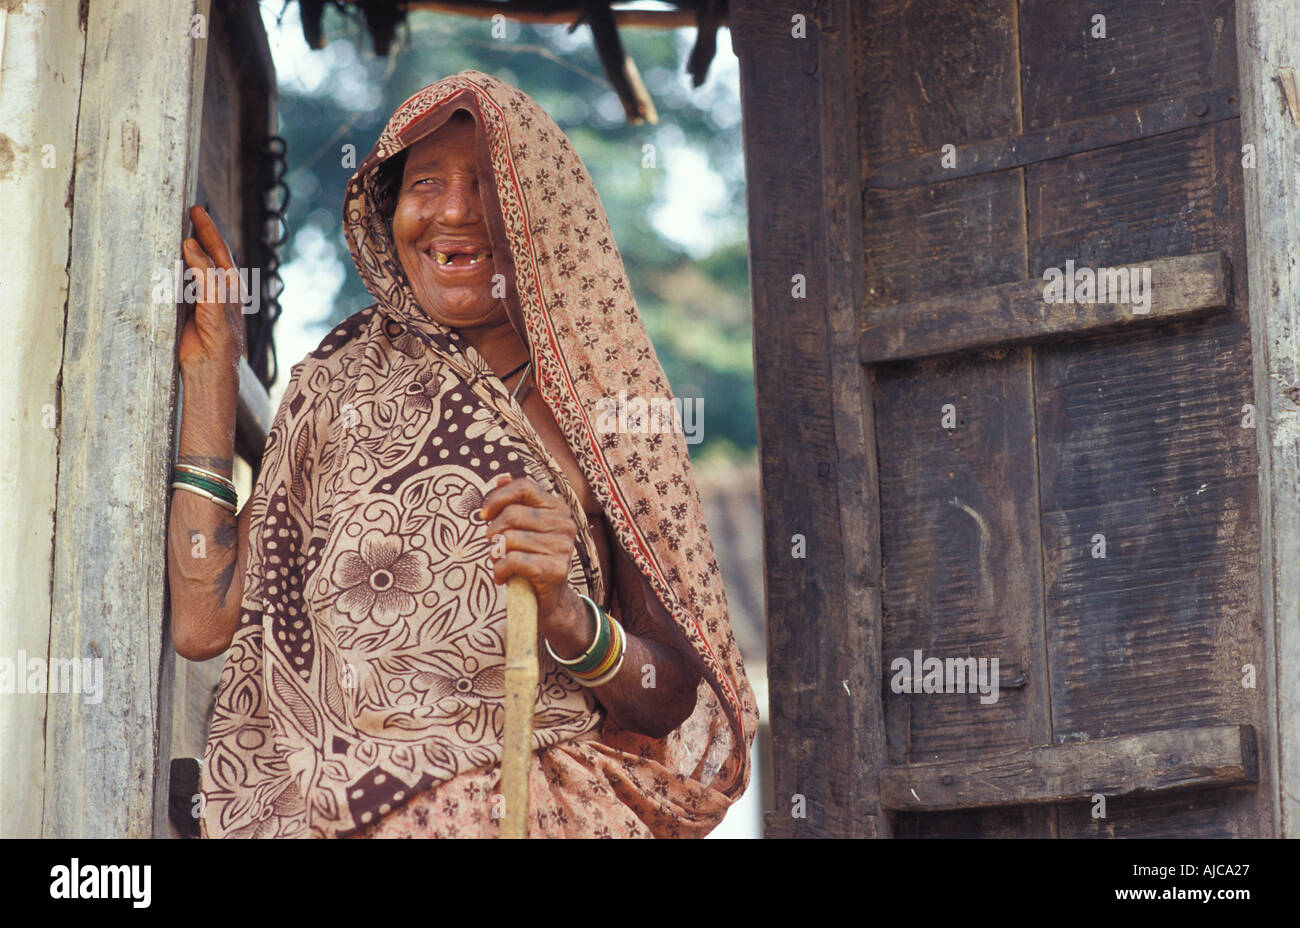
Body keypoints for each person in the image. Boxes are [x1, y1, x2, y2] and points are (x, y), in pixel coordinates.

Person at [170, 70, 756, 838]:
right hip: (317, 813)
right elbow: (204, 620)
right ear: (389, 212)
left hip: (528, 815)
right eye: (427, 183)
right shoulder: (340, 384)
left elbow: (670, 691)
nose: (452, 211)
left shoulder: (601, 408)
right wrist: (212, 376)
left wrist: (570, 618)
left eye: (485, 184)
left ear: (535, 212)